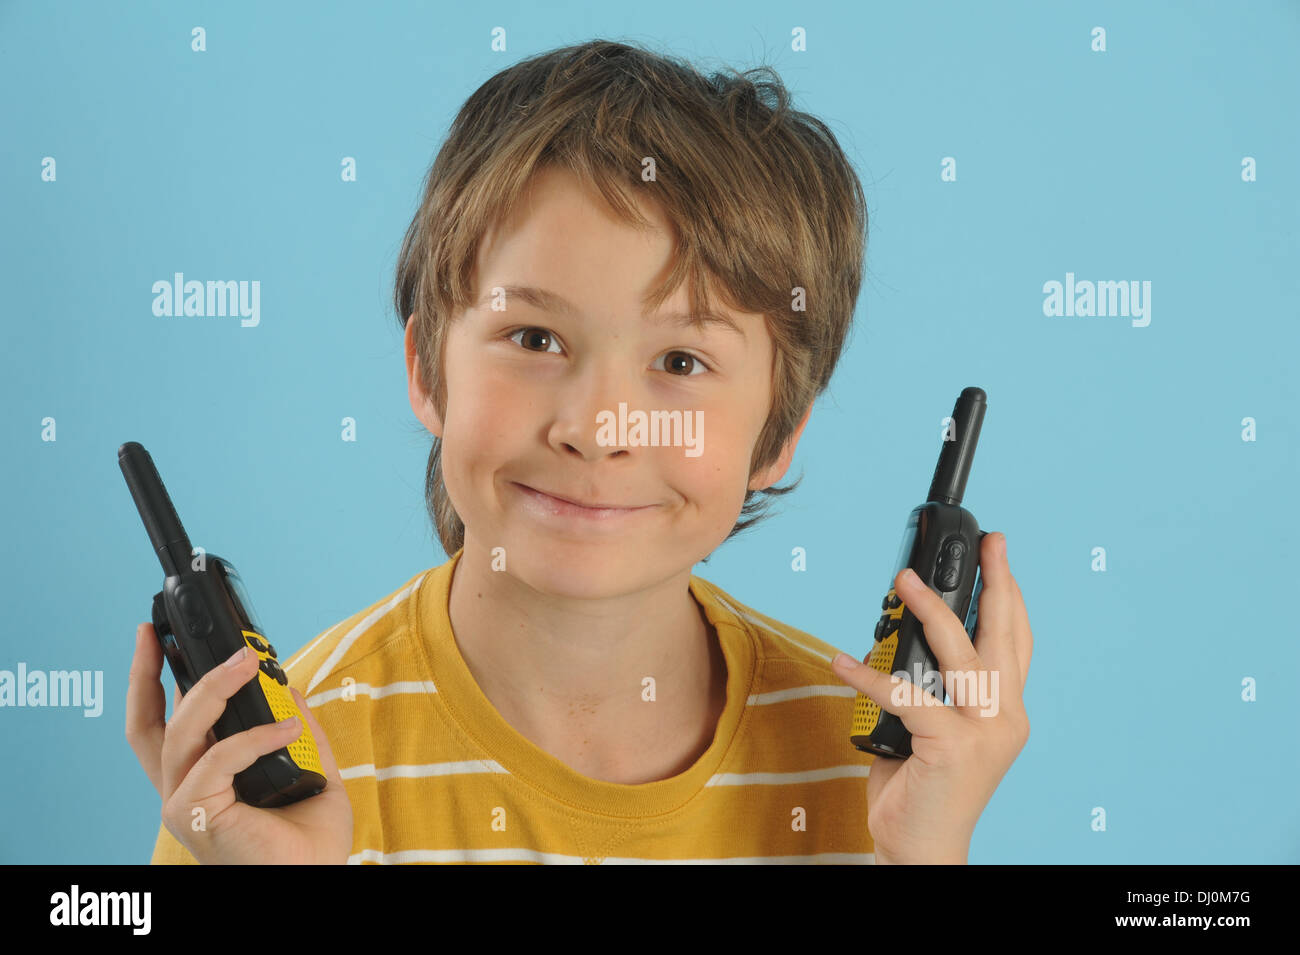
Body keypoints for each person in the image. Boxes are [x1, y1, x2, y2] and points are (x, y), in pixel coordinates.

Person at [127, 39, 1032, 865]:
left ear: (778, 433)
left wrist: (930, 851)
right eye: (533, 338)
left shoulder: (873, 774)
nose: (598, 430)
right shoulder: (271, 776)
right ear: (426, 370)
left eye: (681, 361)